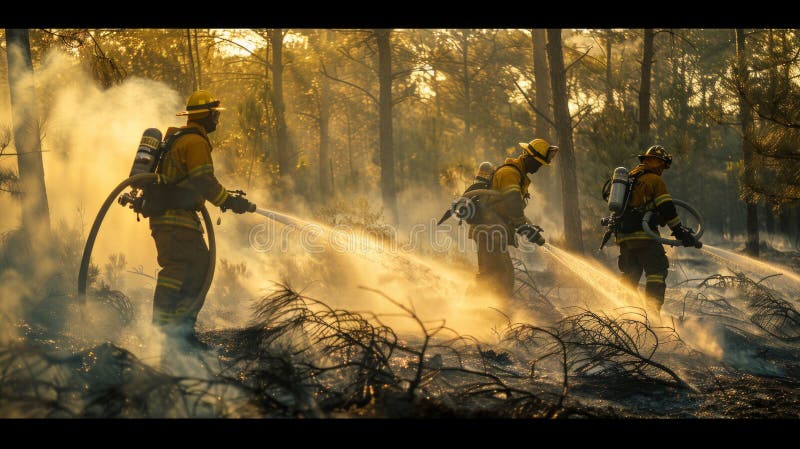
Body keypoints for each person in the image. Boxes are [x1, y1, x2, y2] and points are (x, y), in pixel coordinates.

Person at [149, 89, 255, 350]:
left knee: (182, 269)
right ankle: (177, 332)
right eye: (214, 114)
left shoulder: (180, 139)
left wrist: (225, 197)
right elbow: (203, 180)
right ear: (206, 115)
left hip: (170, 218)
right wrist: (228, 201)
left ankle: (169, 331)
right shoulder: (195, 143)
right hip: (177, 219)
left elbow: (194, 181)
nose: (216, 120)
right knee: (196, 268)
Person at [614, 145, 699, 314]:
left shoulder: (630, 177)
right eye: (660, 163)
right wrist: (680, 231)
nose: (661, 168)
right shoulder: (654, 180)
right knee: (656, 272)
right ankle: (652, 314)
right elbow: (667, 208)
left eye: (663, 165)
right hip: (645, 237)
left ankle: (623, 312)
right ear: (650, 160)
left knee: (631, 274)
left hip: (624, 236)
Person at [469, 138, 558, 298]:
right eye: (537, 163)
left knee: (504, 274)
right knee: (495, 274)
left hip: (494, 230)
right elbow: (513, 202)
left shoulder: (517, 174)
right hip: (488, 229)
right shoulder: (510, 173)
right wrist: (525, 226)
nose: (538, 168)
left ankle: (493, 308)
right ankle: (475, 308)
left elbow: (511, 209)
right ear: (528, 157)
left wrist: (529, 227)